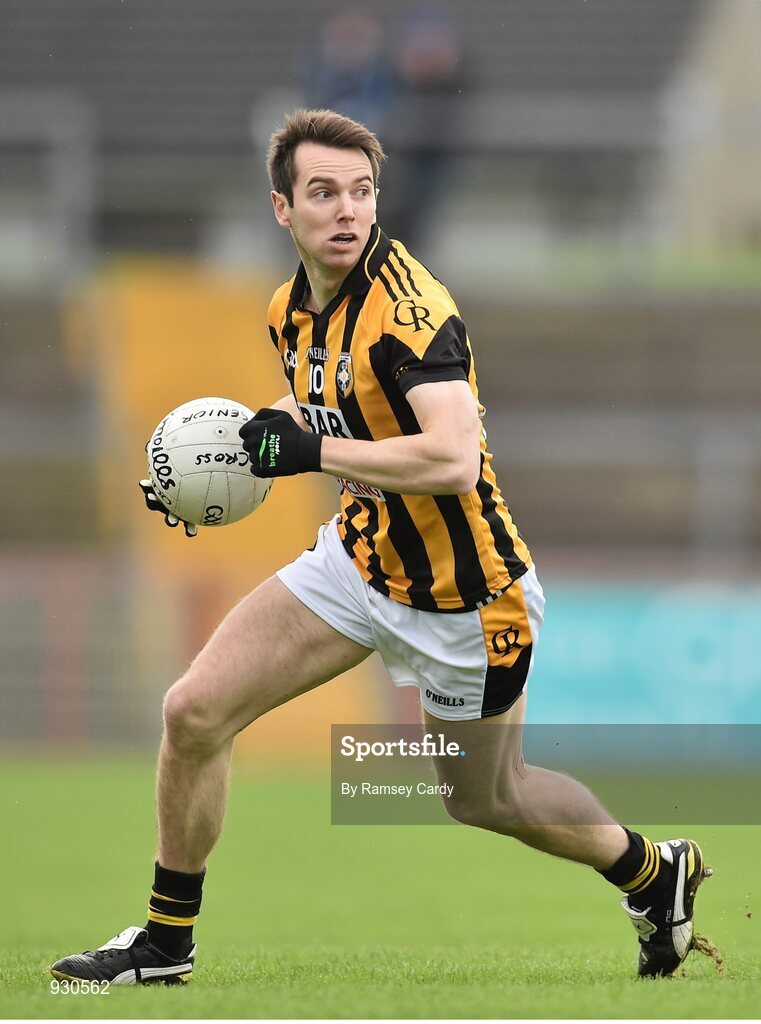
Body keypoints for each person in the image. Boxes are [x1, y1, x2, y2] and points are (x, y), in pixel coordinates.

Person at [50, 108, 711, 986]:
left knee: (485, 799)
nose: (348, 210)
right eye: (323, 192)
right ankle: (166, 942)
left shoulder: (408, 315)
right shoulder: (290, 311)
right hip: (357, 564)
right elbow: (315, 412)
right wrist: (207, 465)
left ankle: (649, 871)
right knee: (193, 713)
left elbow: (449, 456)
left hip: (468, 600)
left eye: (361, 191)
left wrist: (312, 452)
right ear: (282, 207)